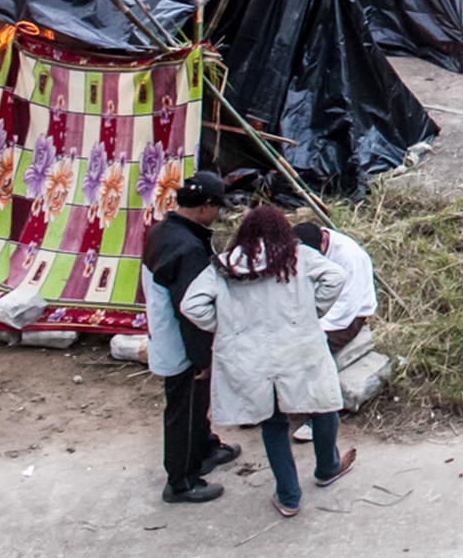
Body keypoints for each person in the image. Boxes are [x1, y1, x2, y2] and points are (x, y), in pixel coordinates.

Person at [179, 205, 354, 519]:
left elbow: (191, 305)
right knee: (323, 404)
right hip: (299, 348)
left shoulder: (226, 265)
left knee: (273, 423)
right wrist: (312, 310)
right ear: (281, 231)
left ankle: (289, 496)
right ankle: (327, 467)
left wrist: (224, 324)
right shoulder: (297, 256)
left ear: (244, 233)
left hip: (250, 358)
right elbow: (335, 277)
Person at [142, 170, 238, 504]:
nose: (219, 215)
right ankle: (181, 481)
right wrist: (201, 359)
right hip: (180, 346)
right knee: (184, 409)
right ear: (204, 206)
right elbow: (191, 311)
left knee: (197, 404)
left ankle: (205, 448)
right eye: (217, 207)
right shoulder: (187, 249)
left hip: (167, 336)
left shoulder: (164, 231)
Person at [290, 223, 377, 351]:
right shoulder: (303, 245)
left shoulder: (348, 257)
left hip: (346, 318)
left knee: (305, 351)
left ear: (323, 241)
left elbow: (346, 306)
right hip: (314, 308)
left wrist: (310, 328)